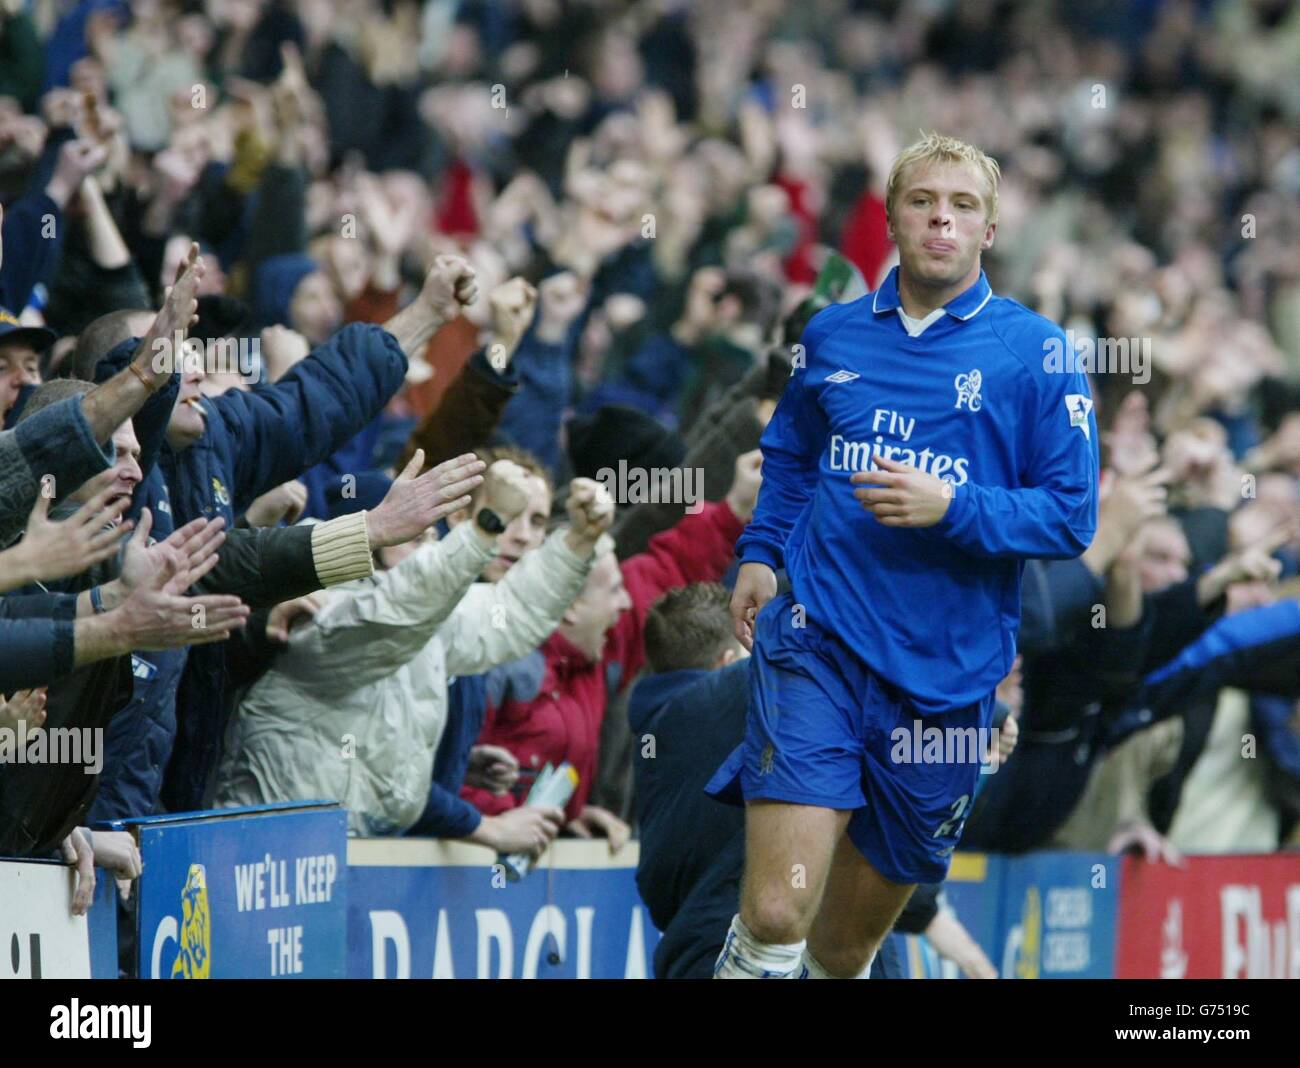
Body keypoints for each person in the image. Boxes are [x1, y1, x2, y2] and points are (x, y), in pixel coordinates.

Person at [709, 133, 1099, 979]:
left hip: (949, 682)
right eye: (924, 202)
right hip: (818, 643)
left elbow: (1072, 518)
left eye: (963, 206)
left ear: (989, 230)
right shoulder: (833, 334)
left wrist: (951, 506)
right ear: (891, 217)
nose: (942, 221)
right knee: (777, 909)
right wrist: (761, 553)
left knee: (843, 952)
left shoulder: (1039, 354)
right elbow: (792, 456)